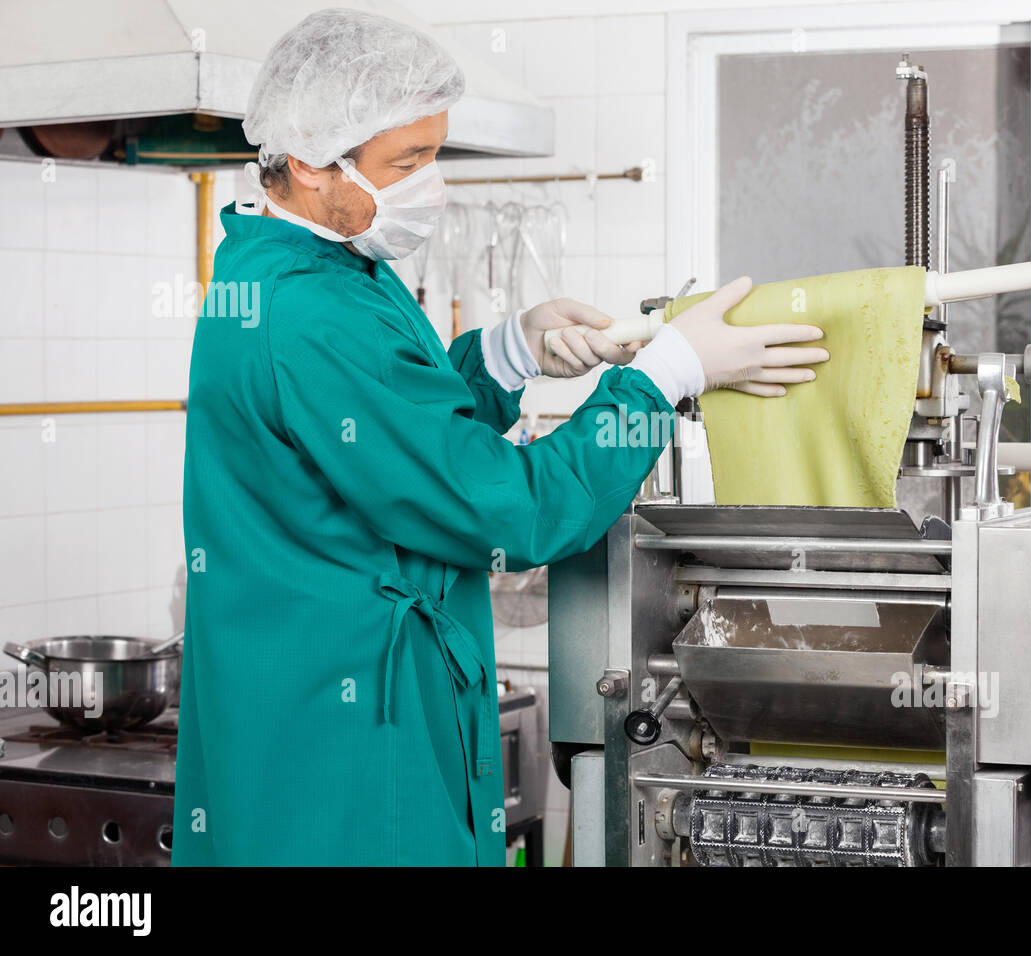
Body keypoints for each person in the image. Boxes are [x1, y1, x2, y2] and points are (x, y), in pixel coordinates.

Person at [173, 8, 829, 866]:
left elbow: (393, 434)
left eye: (433, 154)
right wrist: (662, 380)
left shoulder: (302, 269)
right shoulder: (311, 315)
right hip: (347, 734)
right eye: (405, 163)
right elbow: (513, 511)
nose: (429, 183)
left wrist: (508, 352)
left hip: (307, 703)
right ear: (306, 160)